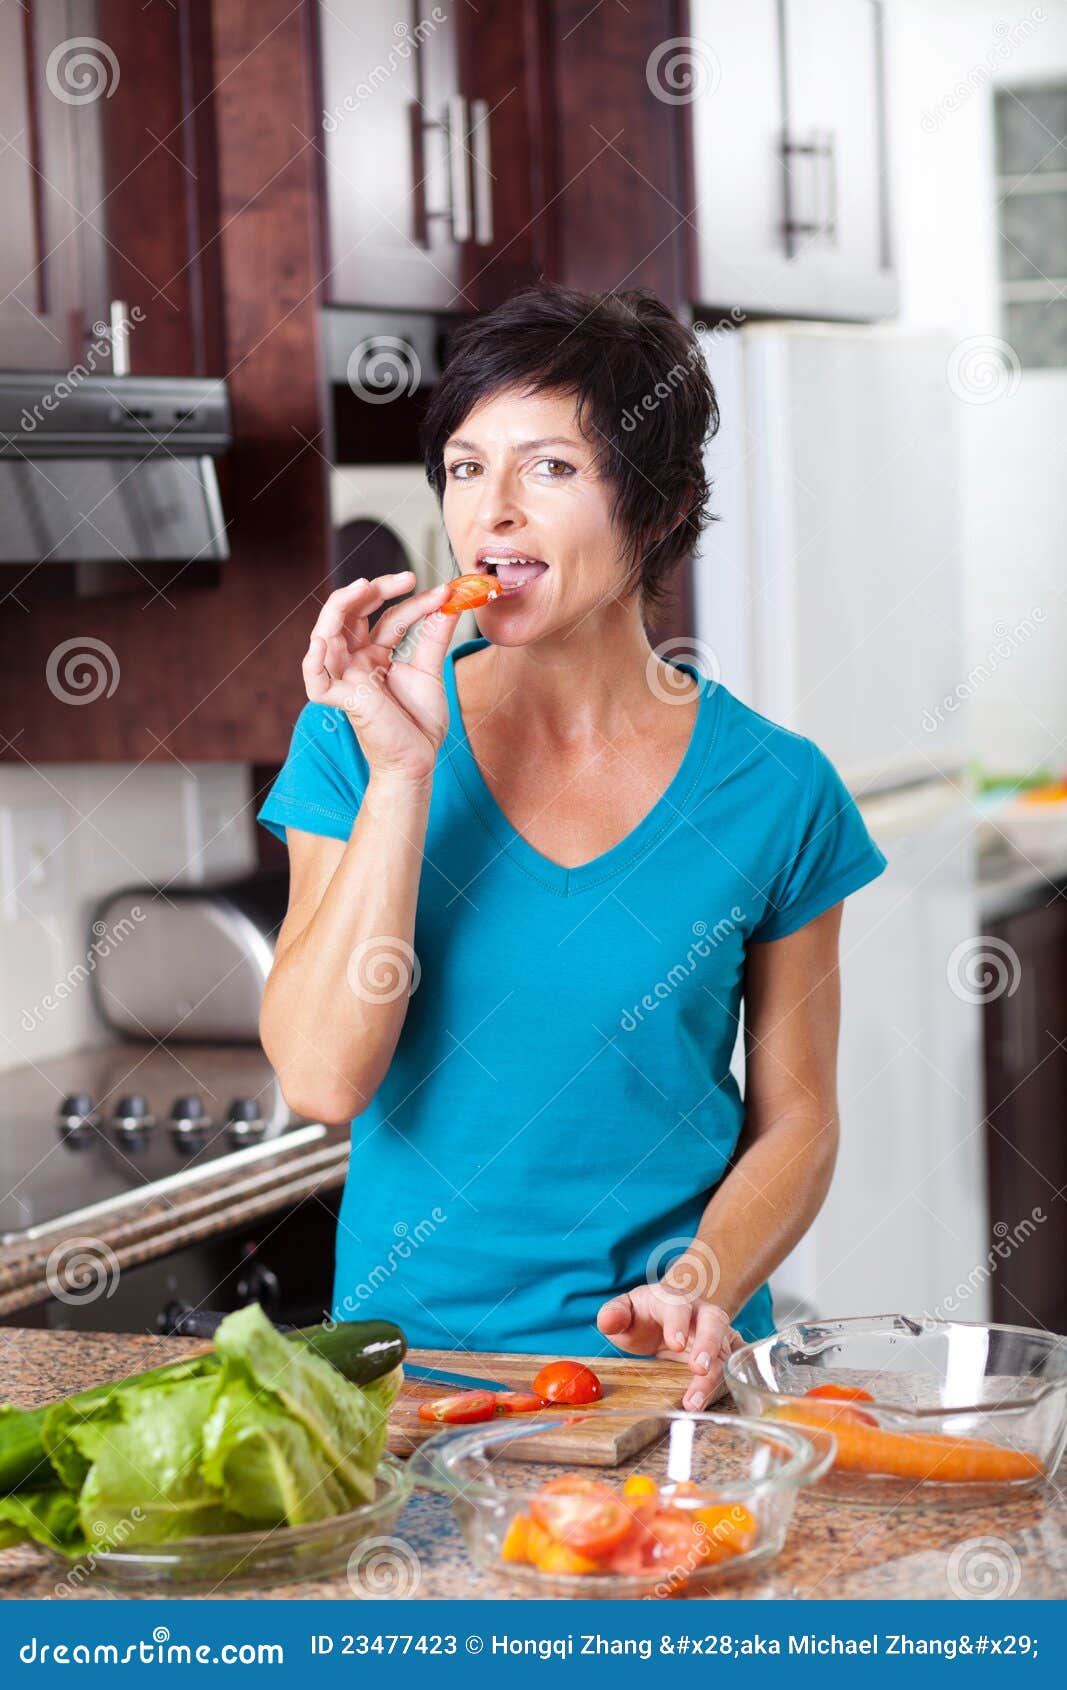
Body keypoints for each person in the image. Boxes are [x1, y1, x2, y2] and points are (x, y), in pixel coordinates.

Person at [258, 284, 887, 1409]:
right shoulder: (353, 744)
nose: (491, 512)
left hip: (665, 1390)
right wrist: (405, 776)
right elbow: (319, 1078)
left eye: (547, 469)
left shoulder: (778, 789)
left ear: (654, 509)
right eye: (463, 468)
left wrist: (702, 1283)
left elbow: (797, 1117)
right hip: (408, 1393)